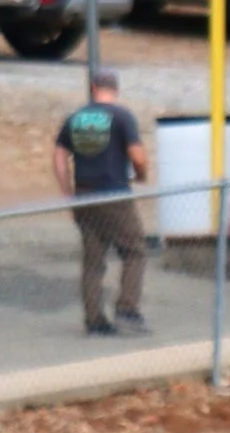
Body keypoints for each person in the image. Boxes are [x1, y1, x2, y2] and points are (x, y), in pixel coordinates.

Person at [51, 70, 150, 337]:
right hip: (114, 193)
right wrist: (141, 174)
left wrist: (68, 192)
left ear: (93, 88)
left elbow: (60, 157)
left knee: (93, 259)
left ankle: (94, 319)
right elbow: (136, 155)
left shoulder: (74, 118)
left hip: (84, 194)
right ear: (115, 90)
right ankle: (127, 307)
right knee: (135, 249)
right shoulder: (122, 117)